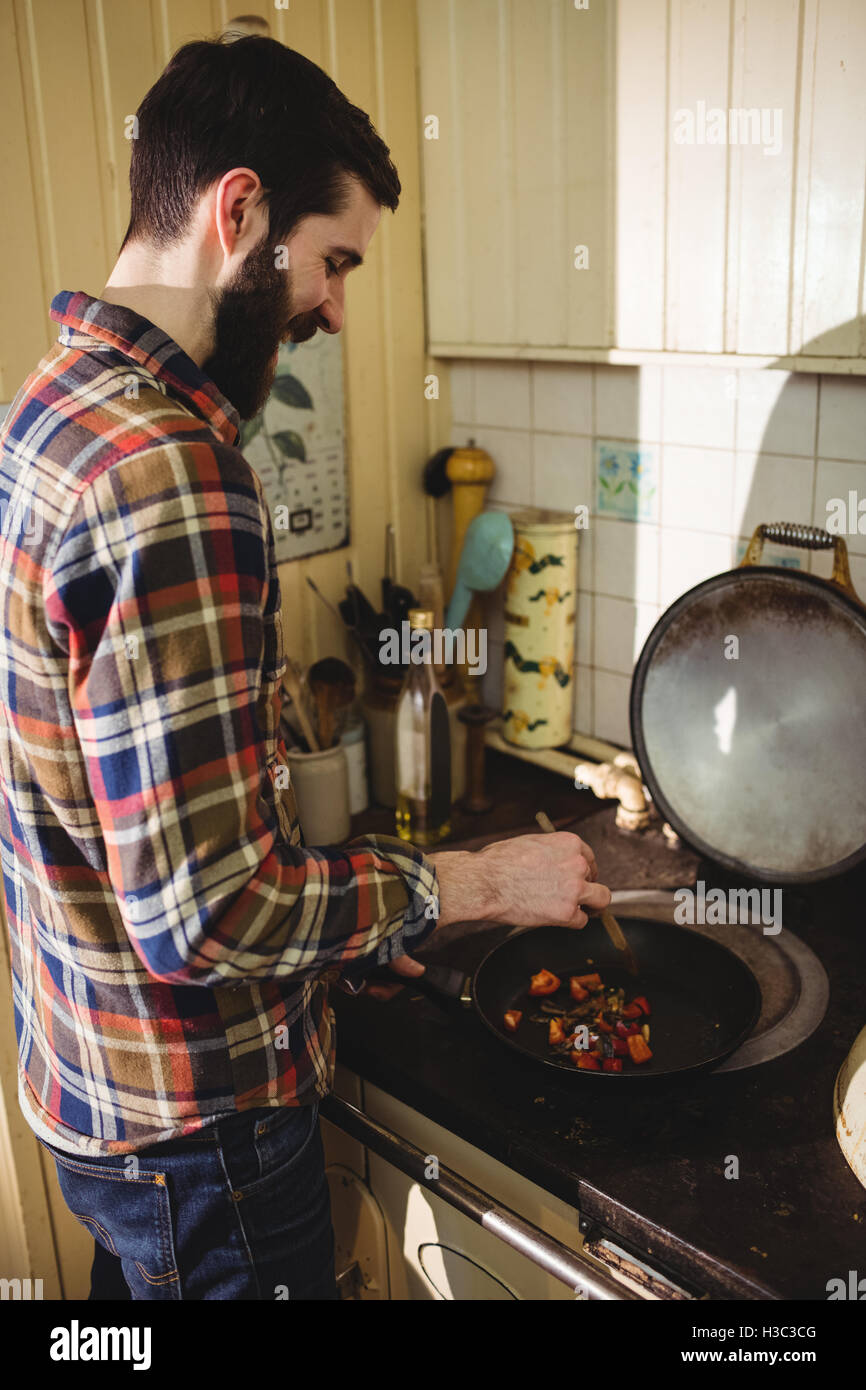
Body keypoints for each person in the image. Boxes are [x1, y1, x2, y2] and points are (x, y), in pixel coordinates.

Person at [0, 34, 610, 1301]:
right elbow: (205, 914)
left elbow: (121, 815)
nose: (336, 308)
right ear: (240, 212)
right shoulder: (172, 474)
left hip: (89, 1087)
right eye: (334, 261)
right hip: (203, 1129)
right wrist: (475, 879)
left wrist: (326, 929)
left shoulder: (48, 410)